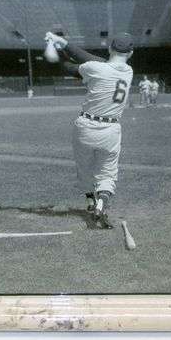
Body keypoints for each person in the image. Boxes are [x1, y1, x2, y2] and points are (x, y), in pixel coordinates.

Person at [45, 31, 134, 229]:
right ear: (131, 53)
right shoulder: (128, 71)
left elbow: (68, 67)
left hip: (86, 126)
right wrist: (62, 42)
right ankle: (101, 203)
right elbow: (99, 61)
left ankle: (90, 201)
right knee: (108, 173)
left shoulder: (95, 68)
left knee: (84, 168)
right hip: (111, 129)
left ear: (110, 48)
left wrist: (58, 47)